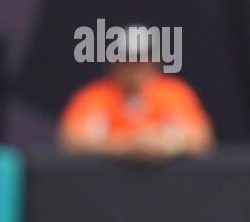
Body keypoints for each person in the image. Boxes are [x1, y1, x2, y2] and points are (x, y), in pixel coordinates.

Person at [58, 27, 215, 160]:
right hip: (107, 186)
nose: (134, 68)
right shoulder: (94, 95)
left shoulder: (173, 93)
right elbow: (71, 141)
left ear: (154, 61)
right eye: (127, 60)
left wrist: (162, 144)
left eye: (140, 60)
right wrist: (130, 146)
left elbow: (201, 139)